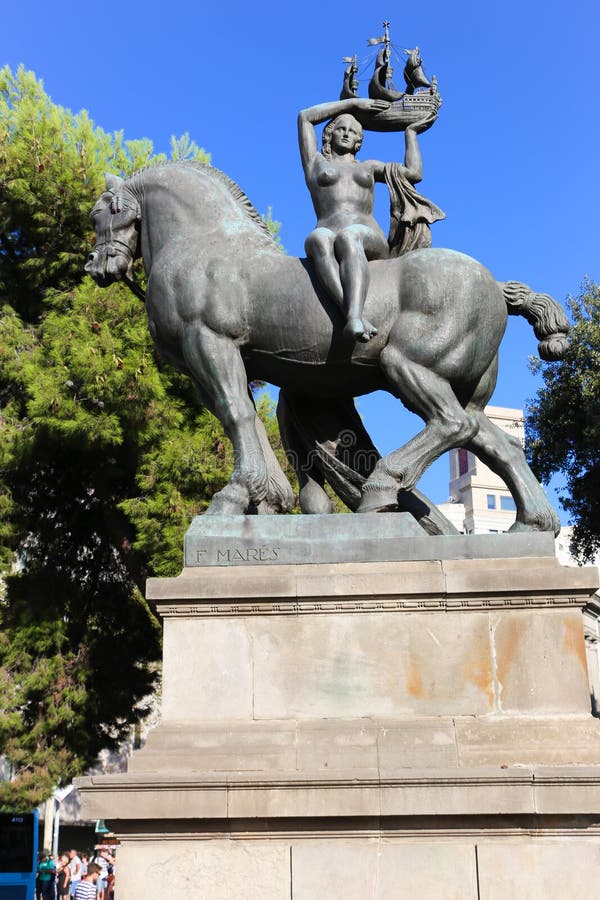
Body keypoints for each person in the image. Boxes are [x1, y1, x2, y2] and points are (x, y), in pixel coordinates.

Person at [298, 97, 441, 342]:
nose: (346, 134)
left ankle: (354, 316)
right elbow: (305, 117)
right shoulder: (314, 163)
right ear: (329, 134)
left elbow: (414, 173)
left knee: (349, 236)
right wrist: (353, 105)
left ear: (358, 143)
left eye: (353, 132)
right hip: (327, 231)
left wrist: (411, 133)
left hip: (366, 236)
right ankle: (351, 312)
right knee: (318, 239)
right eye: (341, 129)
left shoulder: (369, 167)